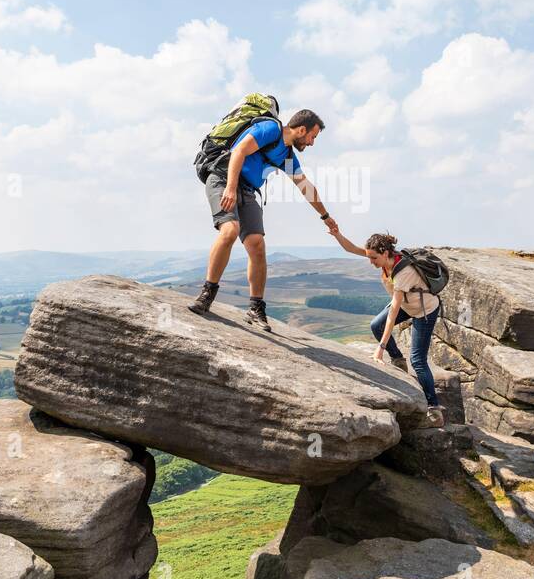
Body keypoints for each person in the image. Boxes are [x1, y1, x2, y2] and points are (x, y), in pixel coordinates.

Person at [189, 109, 337, 331]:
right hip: (222, 178)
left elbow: (305, 186)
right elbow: (239, 151)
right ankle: (207, 294)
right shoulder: (270, 129)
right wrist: (230, 188)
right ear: (302, 129)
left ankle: (255, 307)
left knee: (257, 244)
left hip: (247, 189)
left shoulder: (287, 155)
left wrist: (325, 217)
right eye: (312, 137)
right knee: (229, 230)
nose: (312, 143)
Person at [329, 229, 445, 427]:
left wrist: (380, 348)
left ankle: (434, 409)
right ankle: (399, 361)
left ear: (384, 253)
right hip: (409, 304)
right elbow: (351, 248)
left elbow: (392, 313)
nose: (370, 262)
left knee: (418, 360)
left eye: (373, 258)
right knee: (376, 324)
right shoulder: (382, 258)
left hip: (424, 311)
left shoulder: (403, 273)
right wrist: (337, 234)